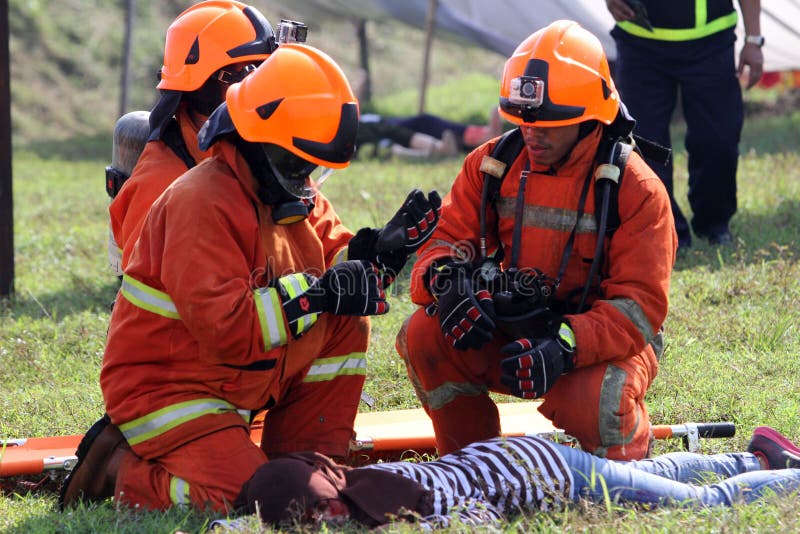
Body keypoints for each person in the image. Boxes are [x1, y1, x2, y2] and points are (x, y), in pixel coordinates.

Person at [58, 43, 441, 513]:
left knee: (345, 323)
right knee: (242, 500)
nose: (306, 181)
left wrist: (379, 253)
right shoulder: (200, 201)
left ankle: (305, 463)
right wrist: (318, 295)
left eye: (311, 168)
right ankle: (118, 471)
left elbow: (333, 258)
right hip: (170, 387)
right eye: (297, 165)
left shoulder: (281, 184)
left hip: (238, 381)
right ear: (256, 140)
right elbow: (230, 329)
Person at [396, 20, 677, 462]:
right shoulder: (491, 165)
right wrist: (446, 282)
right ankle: (473, 466)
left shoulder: (636, 189)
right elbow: (444, 241)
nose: (532, 132)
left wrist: (566, 344)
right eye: (524, 119)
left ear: (590, 117)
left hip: (601, 341)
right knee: (425, 335)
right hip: (515, 329)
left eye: (548, 122)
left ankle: (628, 478)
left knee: (598, 398)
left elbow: (638, 309)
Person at [231, 426, 800, 528]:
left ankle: (774, 479)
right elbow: (242, 518)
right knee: (649, 474)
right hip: (525, 459)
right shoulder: (350, 487)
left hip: (552, 475)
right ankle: (758, 458)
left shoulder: (398, 500)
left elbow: (483, 520)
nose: (327, 518)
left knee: (702, 507)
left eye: (323, 510)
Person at [107, 0, 279, 276]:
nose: (256, 90)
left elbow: (318, 236)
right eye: (243, 74)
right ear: (202, 86)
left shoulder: (269, 155)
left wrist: (361, 251)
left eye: (264, 72)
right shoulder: (162, 182)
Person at [605, 0, 764, 248]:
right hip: (640, 43)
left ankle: (714, 224)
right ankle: (666, 229)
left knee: (718, 141)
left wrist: (754, 40)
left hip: (711, 41)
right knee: (643, 145)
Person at [356, 109, 503, 159]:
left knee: (425, 123)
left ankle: (480, 137)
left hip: (379, 123)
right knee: (423, 122)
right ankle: (480, 137)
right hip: (377, 125)